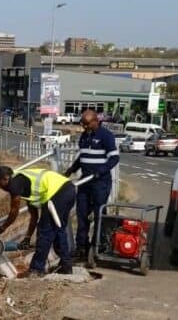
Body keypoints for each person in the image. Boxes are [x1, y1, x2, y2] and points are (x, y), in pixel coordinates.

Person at [0, 165, 76, 276]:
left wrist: (2, 228)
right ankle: (66, 266)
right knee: (58, 230)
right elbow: (34, 217)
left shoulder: (14, 184)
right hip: (68, 189)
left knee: (45, 231)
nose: (0, 187)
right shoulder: (24, 184)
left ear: (6, 178)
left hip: (57, 193)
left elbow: (14, 212)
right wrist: (27, 237)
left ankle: (37, 269)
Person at [65, 109, 120, 260]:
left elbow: (114, 159)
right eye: (83, 124)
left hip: (100, 182)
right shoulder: (84, 136)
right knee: (82, 214)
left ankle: (99, 246)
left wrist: (100, 171)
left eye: (87, 124)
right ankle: (82, 246)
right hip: (85, 182)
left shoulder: (106, 136)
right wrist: (72, 169)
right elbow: (82, 157)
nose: (84, 126)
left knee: (99, 214)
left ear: (96, 121)